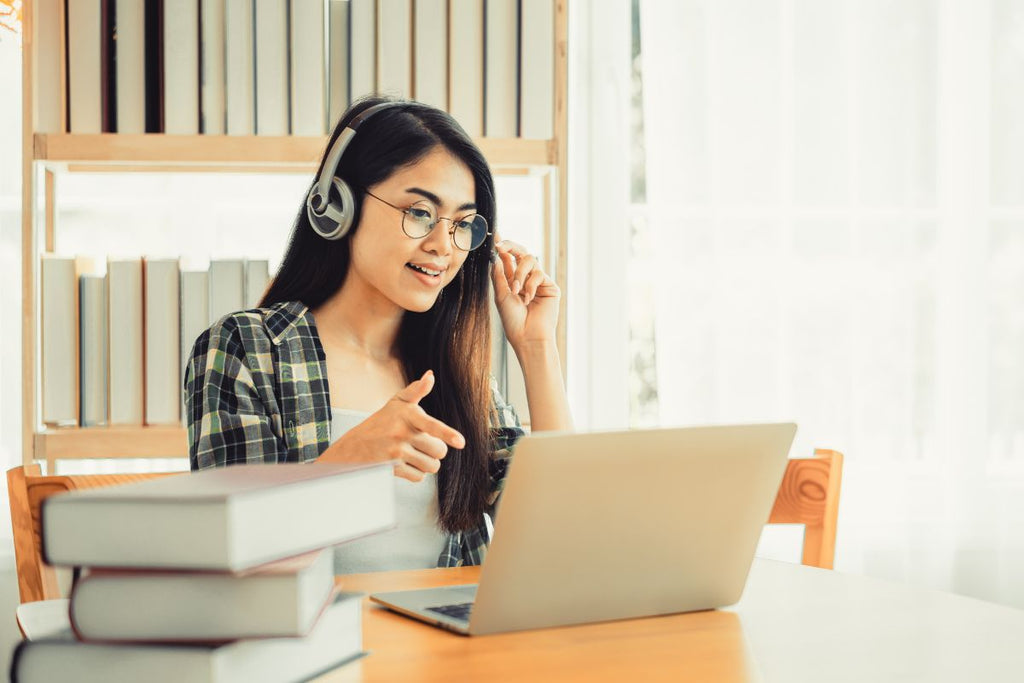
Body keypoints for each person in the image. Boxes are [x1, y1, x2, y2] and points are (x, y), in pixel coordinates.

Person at [184, 96, 572, 571]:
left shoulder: (458, 377)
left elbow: (560, 531)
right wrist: (345, 464)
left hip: (446, 623)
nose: (442, 246)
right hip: (315, 622)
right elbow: (229, 552)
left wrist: (537, 348)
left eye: (462, 224)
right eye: (420, 212)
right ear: (338, 206)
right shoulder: (247, 349)